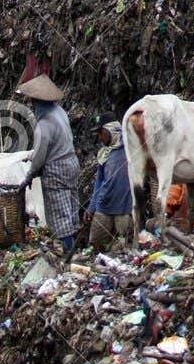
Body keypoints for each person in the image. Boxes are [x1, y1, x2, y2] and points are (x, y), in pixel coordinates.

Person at [17, 75, 80, 257]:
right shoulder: (60, 112)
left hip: (57, 169)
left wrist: (29, 176)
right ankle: (76, 246)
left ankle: (68, 253)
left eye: (30, 101)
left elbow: (40, 158)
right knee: (71, 205)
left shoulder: (44, 124)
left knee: (60, 212)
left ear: (36, 101)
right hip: (71, 163)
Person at [84, 120, 133, 250]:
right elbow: (99, 182)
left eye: (101, 133)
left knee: (124, 245)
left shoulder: (130, 148)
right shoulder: (104, 153)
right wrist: (92, 206)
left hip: (124, 207)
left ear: (111, 130)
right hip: (104, 205)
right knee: (96, 243)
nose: (100, 138)